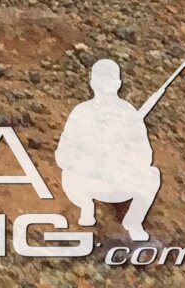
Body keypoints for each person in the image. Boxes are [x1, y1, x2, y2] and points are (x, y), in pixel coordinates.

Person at [53, 58, 162, 239]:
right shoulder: (81, 112)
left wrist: (122, 157)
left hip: (118, 182)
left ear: (118, 84)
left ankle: (133, 222)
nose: (105, 86)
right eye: (101, 81)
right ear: (93, 83)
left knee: (151, 175)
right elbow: (63, 155)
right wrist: (89, 159)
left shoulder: (129, 113)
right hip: (86, 182)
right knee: (69, 176)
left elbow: (145, 156)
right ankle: (86, 208)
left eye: (109, 81)